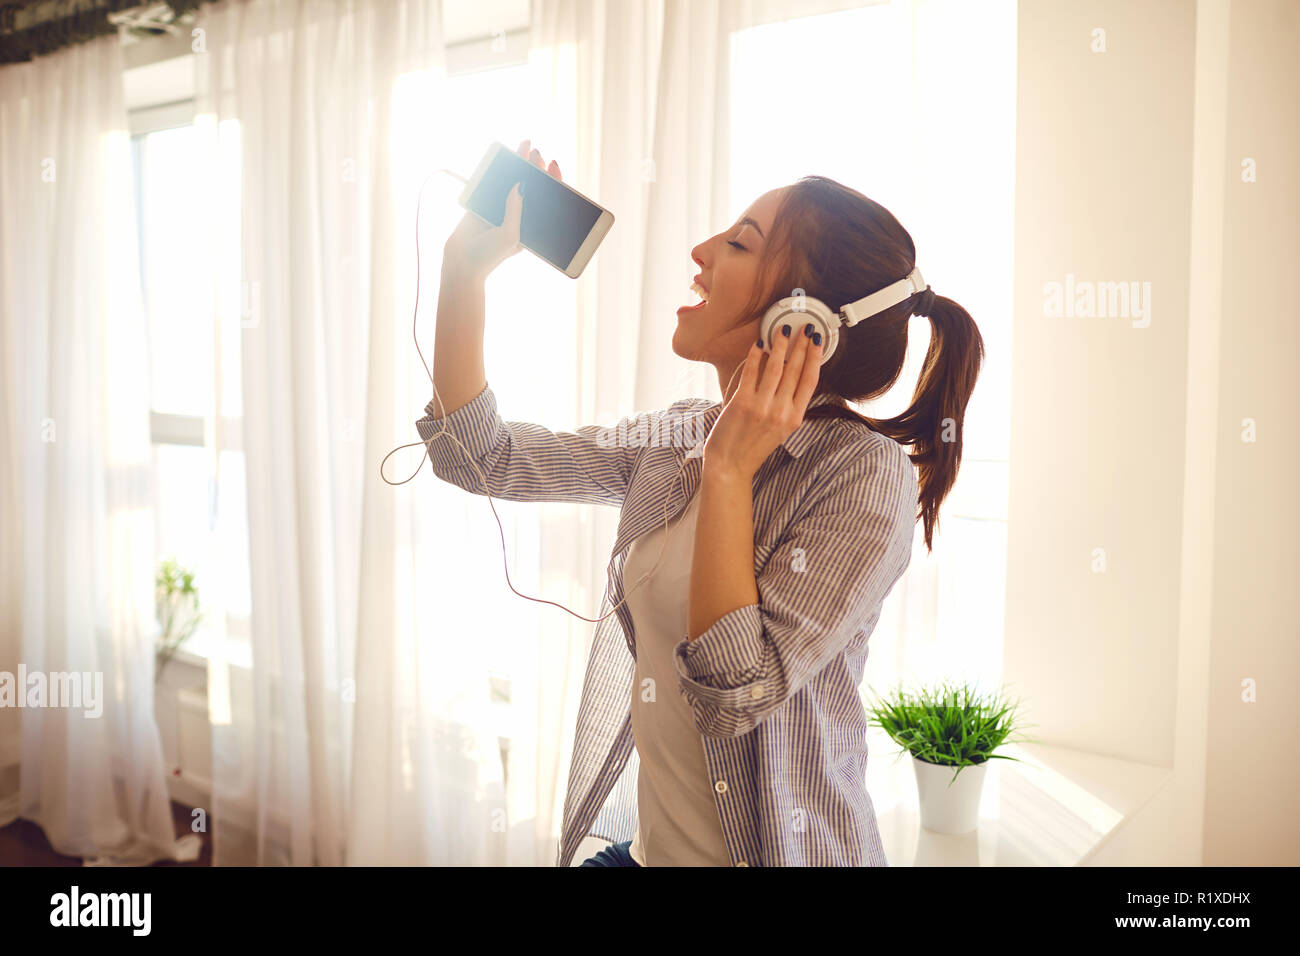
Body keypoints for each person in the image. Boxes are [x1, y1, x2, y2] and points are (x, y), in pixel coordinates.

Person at [418, 140, 984, 866]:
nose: (701, 250)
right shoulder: (682, 434)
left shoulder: (864, 476)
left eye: (740, 242)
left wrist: (728, 475)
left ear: (803, 322)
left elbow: (732, 698)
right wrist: (463, 270)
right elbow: (479, 456)